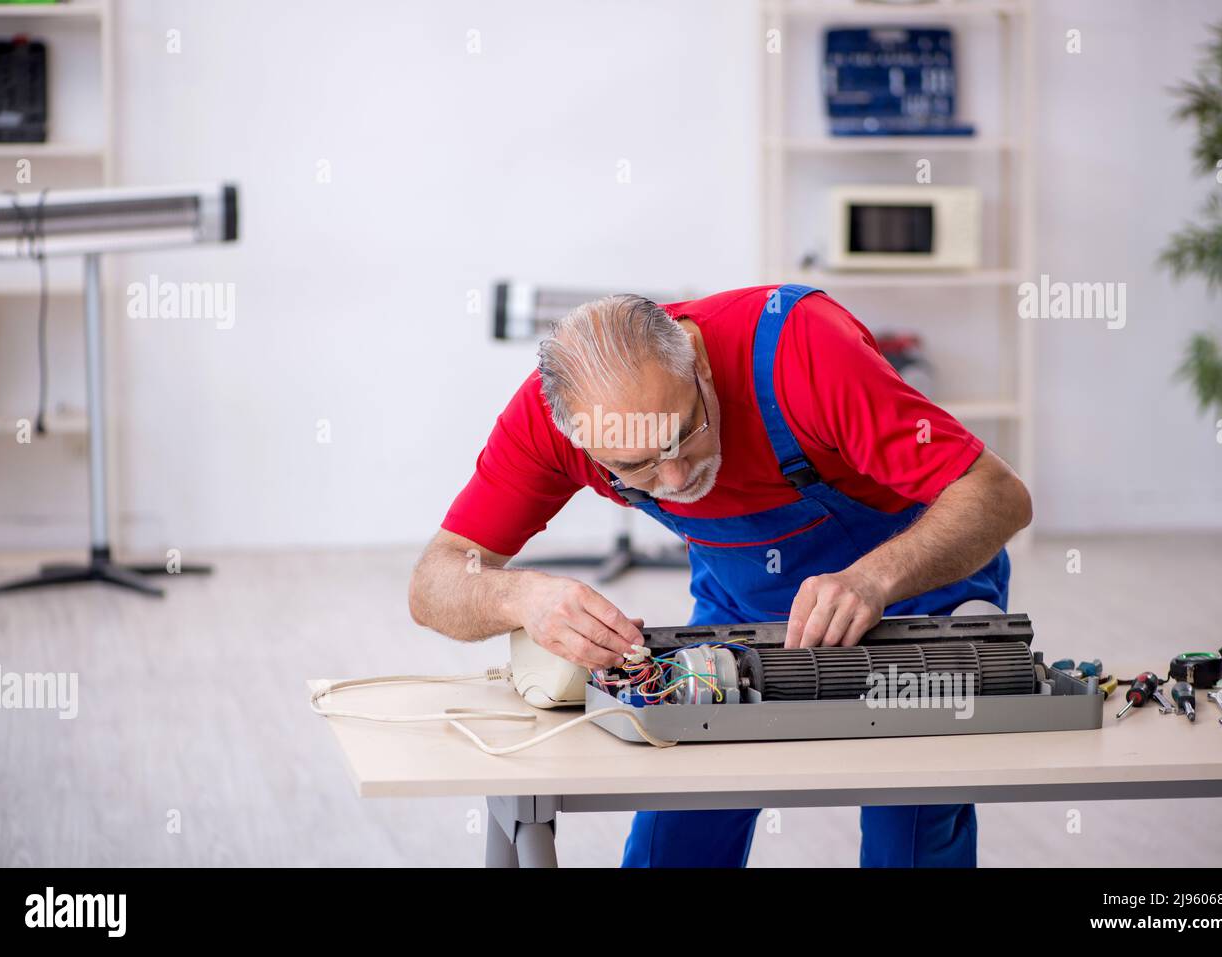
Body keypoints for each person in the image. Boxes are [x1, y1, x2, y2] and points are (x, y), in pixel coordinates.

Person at [409, 283, 1032, 867]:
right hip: (741, 610)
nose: (677, 481)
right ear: (582, 443)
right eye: (639, 467)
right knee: (677, 832)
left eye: (687, 434)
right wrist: (524, 596)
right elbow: (434, 581)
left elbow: (999, 495)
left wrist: (873, 579)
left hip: (918, 593)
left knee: (911, 820)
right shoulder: (550, 419)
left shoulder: (802, 350)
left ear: (700, 369)